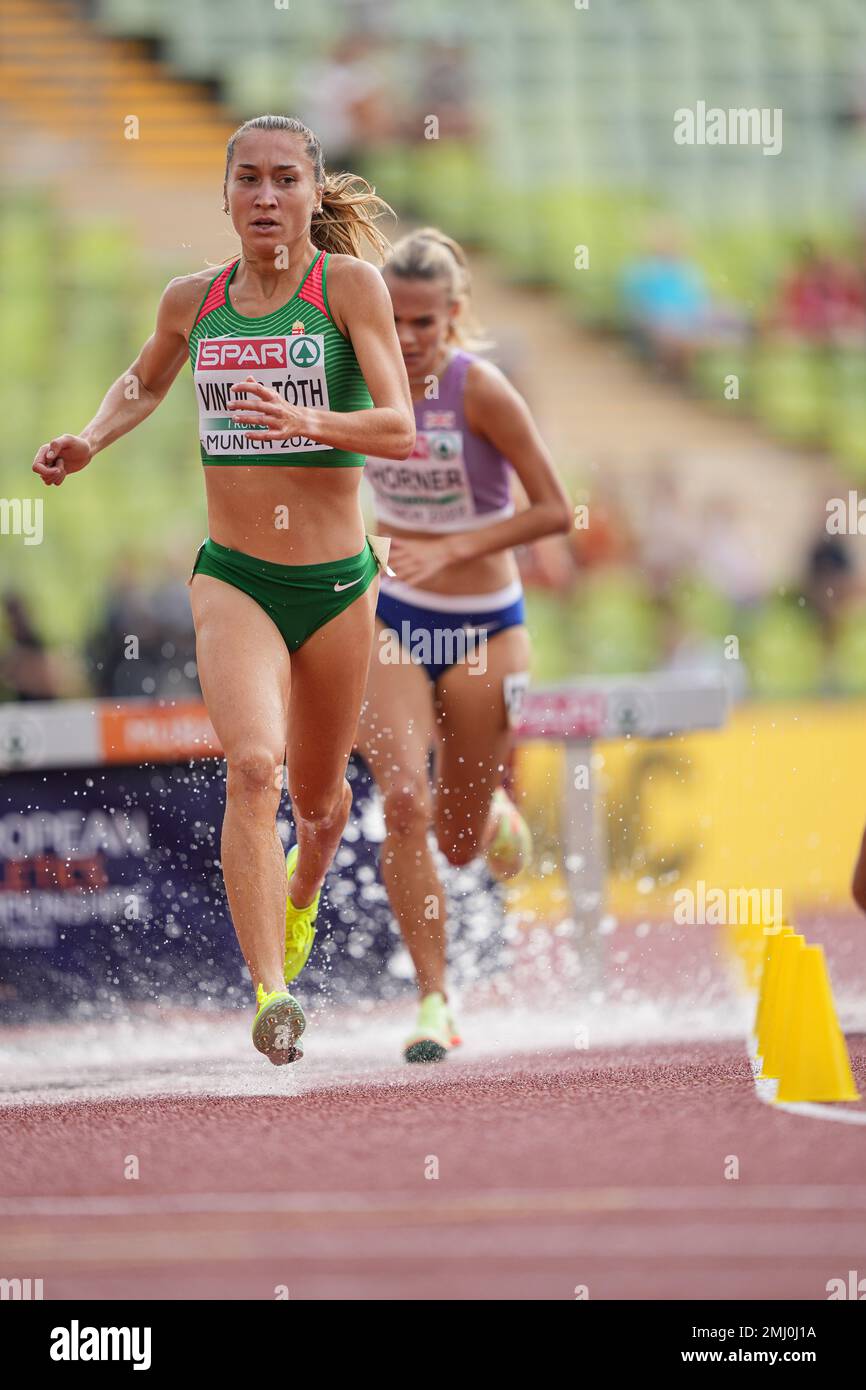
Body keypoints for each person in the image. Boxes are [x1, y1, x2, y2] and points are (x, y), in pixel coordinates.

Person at [31, 114, 415, 1064]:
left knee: (323, 807)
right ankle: (271, 993)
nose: (266, 197)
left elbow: (402, 426)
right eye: (249, 180)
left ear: (311, 193)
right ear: (228, 194)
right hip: (235, 577)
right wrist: (90, 436)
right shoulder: (192, 300)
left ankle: (304, 893)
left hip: (335, 586)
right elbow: (143, 380)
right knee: (254, 767)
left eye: (286, 179)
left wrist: (306, 415)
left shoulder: (349, 289)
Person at [354, 228, 571, 1062]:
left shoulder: (481, 390)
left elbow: (554, 510)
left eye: (425, 324)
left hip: (488, 625)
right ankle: (433, 1001)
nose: (407, 342)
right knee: (404, 803)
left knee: (455, 837)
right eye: (394, 322)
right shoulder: (361, 384)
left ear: (454, 316)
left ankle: (491, 813)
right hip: (397, 618)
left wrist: (454, 547)